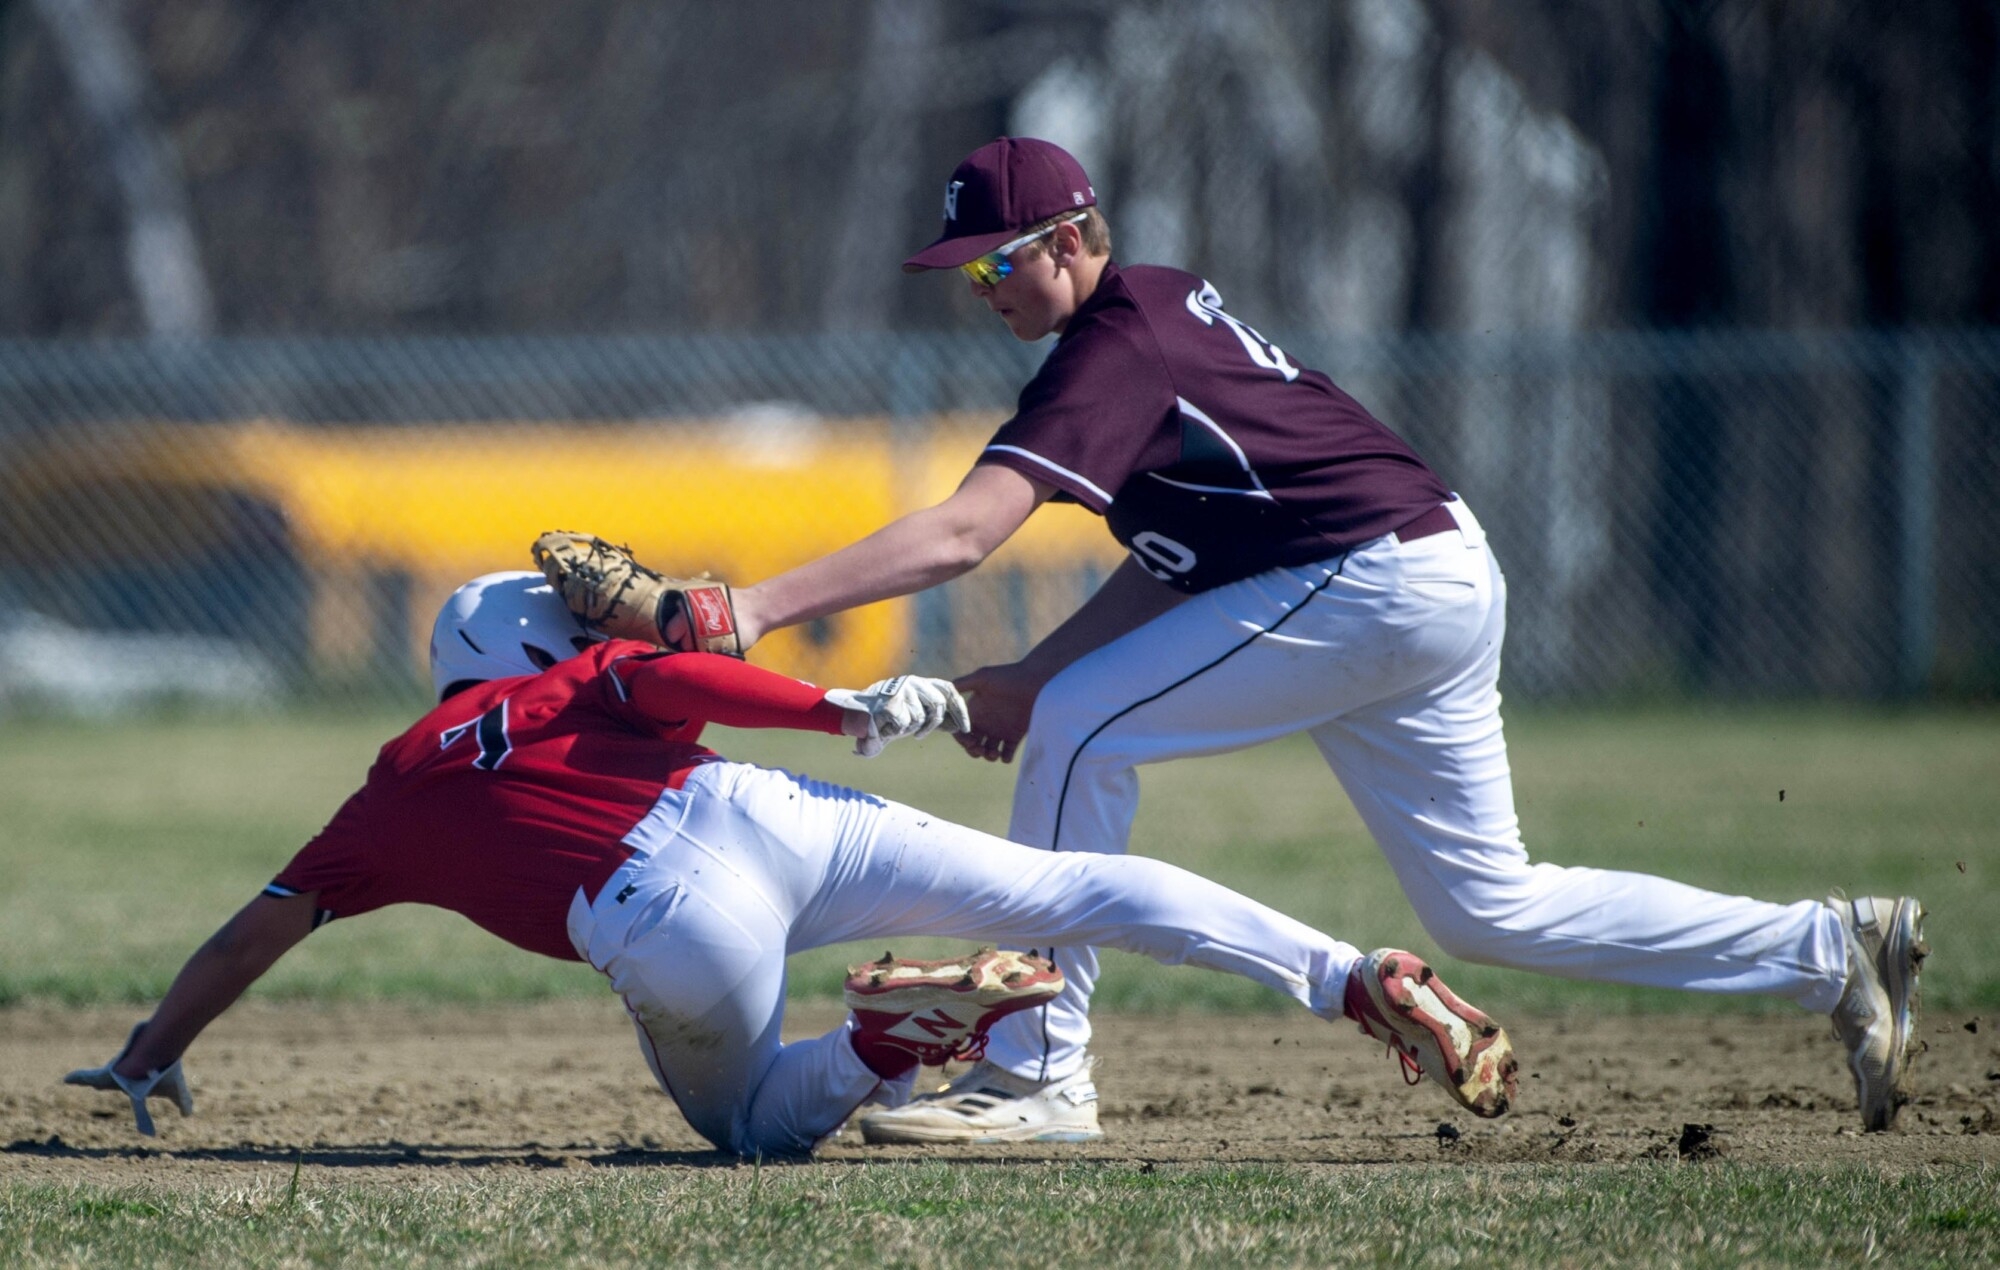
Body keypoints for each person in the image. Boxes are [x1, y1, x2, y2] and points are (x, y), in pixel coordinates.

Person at [566, 136, 1925, 1143]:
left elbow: (962, 533)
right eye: (961, 270)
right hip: (1416, 573)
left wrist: (740, 611)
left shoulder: (1116, 341)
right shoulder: (1149, 313)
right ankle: (1829, 947)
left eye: (990, 262)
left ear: (1065, 239)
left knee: (1087, 730)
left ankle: (1040, 1073)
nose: (977, 288)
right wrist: (1033, 672)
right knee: (1486, 904)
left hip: (1373, 581)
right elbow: (1188, 564)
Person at [62, 572, 1518, 1157]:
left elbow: (249, 936)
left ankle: (891, 1037)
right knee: (1078, 887)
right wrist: (853, 705)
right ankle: (1347, 970)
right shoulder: (580, 680)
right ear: (534, 648)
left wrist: (148, 1049)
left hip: (668, 913)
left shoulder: (393, 783)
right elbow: (666, 669)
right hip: (772, 811)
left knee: (753, 1128)